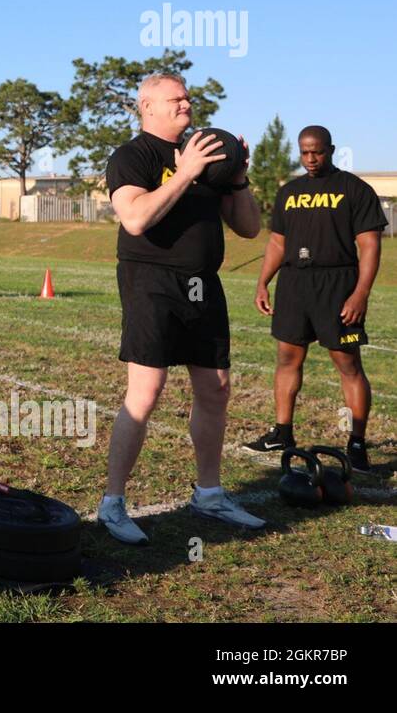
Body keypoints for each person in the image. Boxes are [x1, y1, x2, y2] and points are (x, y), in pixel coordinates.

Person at [98, 73, 265, 544]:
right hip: (150, 280)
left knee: (215, 387)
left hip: (202, 283)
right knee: (147, 390)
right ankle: (112, 503)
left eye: (188, 98)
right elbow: (135, 218)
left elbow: (250, 228)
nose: (186, 104)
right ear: (147, 105)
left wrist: (236, 178)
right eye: (175, 98)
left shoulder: (206, 153)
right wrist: (186, 171)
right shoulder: (133, 156)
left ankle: (209, 494)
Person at [245, 126, 387, 471]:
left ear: (331, 149)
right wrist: (264, 281)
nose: (311, 159)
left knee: (347, 364)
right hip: (294, 283)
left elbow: (369, 245)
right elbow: (278, 243)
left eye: (318, 152)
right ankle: (282, 432)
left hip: (337, 283)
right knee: (287, 358)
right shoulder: (289, 192)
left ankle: (355, 443)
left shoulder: (354, 189)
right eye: (305, 152)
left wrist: (360, 293)